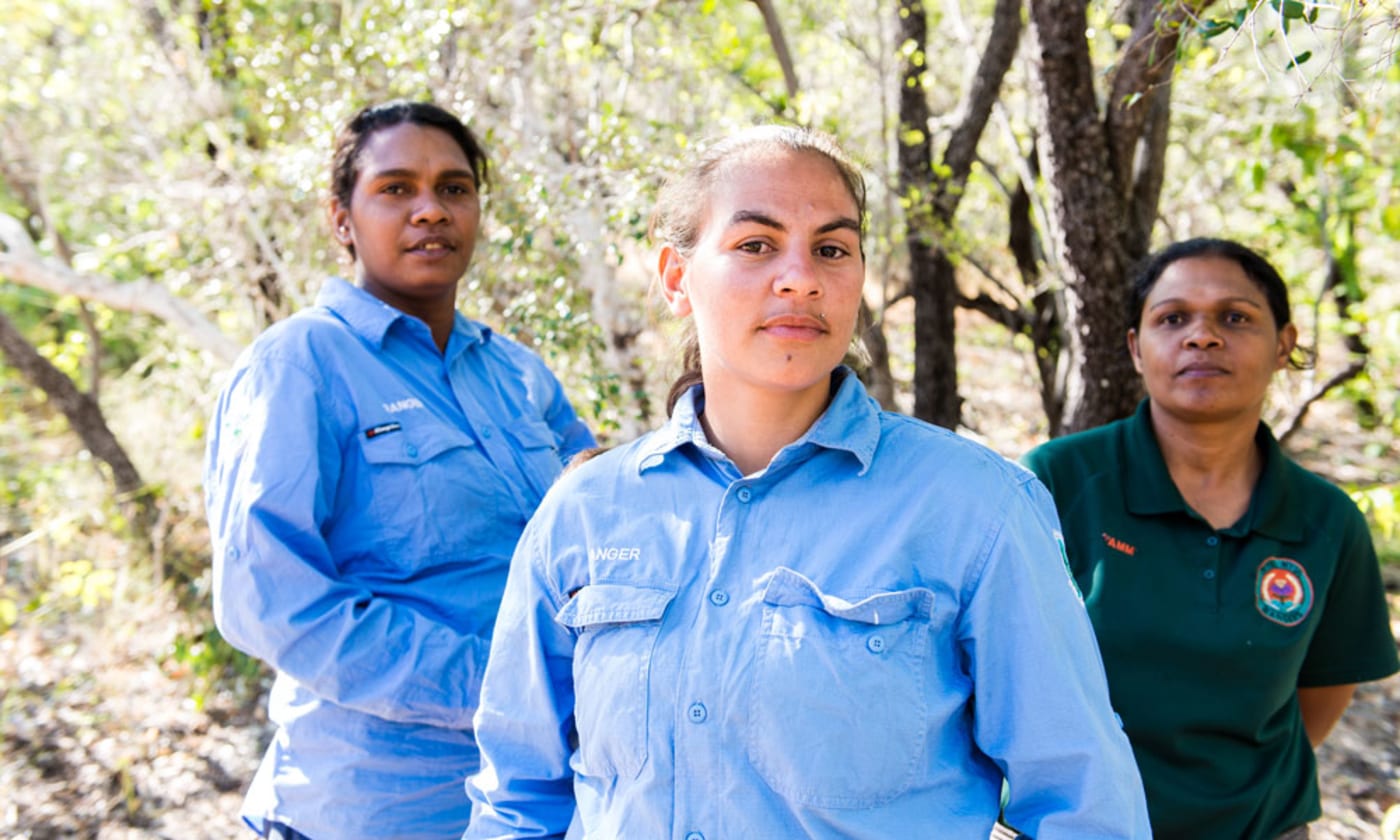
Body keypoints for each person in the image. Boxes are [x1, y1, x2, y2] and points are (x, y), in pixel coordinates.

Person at [463, 125, 1149, 839]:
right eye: (755, 245)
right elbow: (516, 800)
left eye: (831, 248)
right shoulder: (587, 513)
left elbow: (1083, 802)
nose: (800, 277)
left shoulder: (975, 508)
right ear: (675, 277)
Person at [203, 100, 595, 840]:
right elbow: (270, 601)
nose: (430, 211)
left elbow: (594, 532)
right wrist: (503, 683)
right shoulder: (300, 366)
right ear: (340, 218)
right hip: (372, 807)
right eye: (395, 188)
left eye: (454, 188)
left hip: (532, 803)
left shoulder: (517, 374)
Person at [1022, 238, 1399, 840]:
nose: (1202, 337)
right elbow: (1001, 668)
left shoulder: (1327, 521)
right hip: (1079, 827)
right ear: (1135, 350)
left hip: (1262, 829)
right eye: (1172, 319)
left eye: (1235, 317)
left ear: (1285, 345)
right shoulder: (1058, 482)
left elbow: (1322, 697)